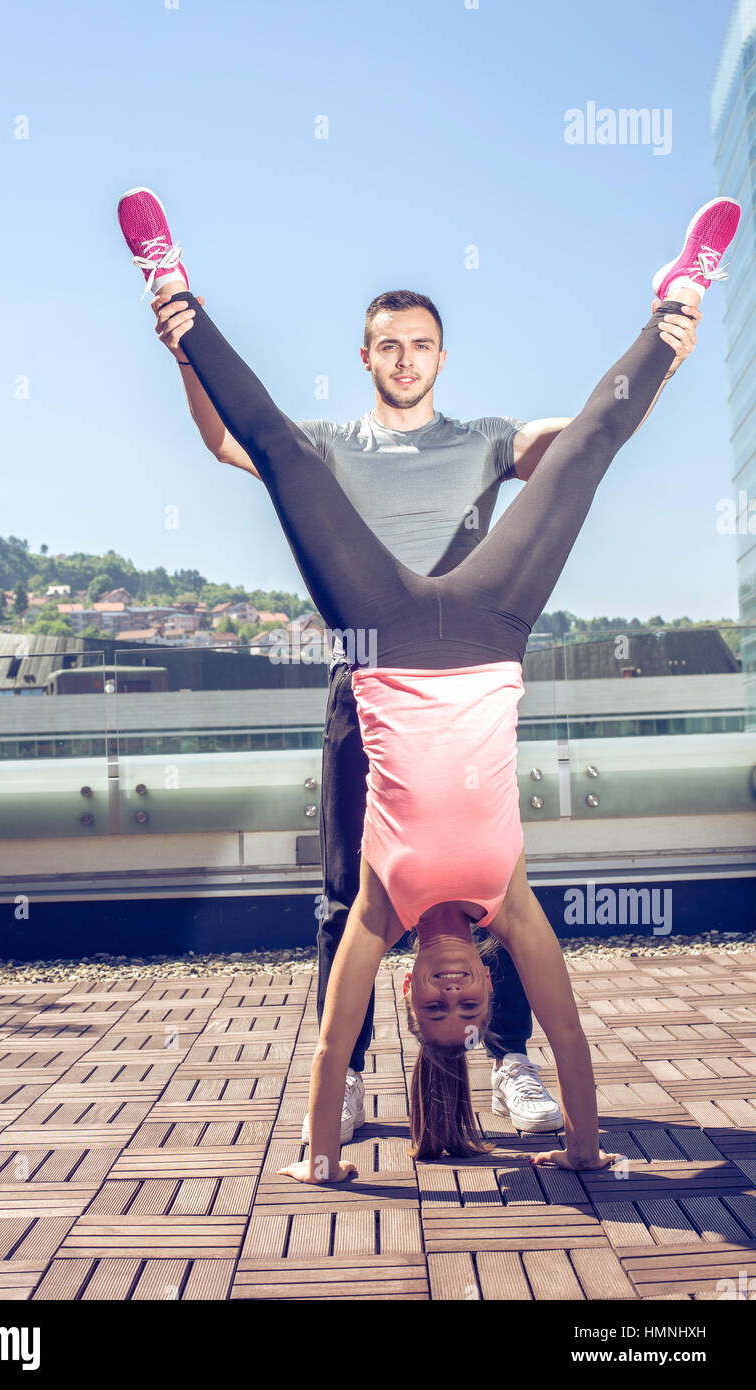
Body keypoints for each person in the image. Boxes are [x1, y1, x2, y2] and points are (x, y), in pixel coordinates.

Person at [118, 192, 740, 1180]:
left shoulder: (484, 435)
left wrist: (319, 1157)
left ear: (437, 356)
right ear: (367, 356)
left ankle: (172, 282)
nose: (405, 358)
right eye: (388, 345)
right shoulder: (509, 902)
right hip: (486, 631)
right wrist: (588, 1152)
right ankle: (679, 298)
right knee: (301, 453)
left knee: (560, 451)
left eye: (420, 344)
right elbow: (230, 445)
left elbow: (584, 433)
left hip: (388, 641)